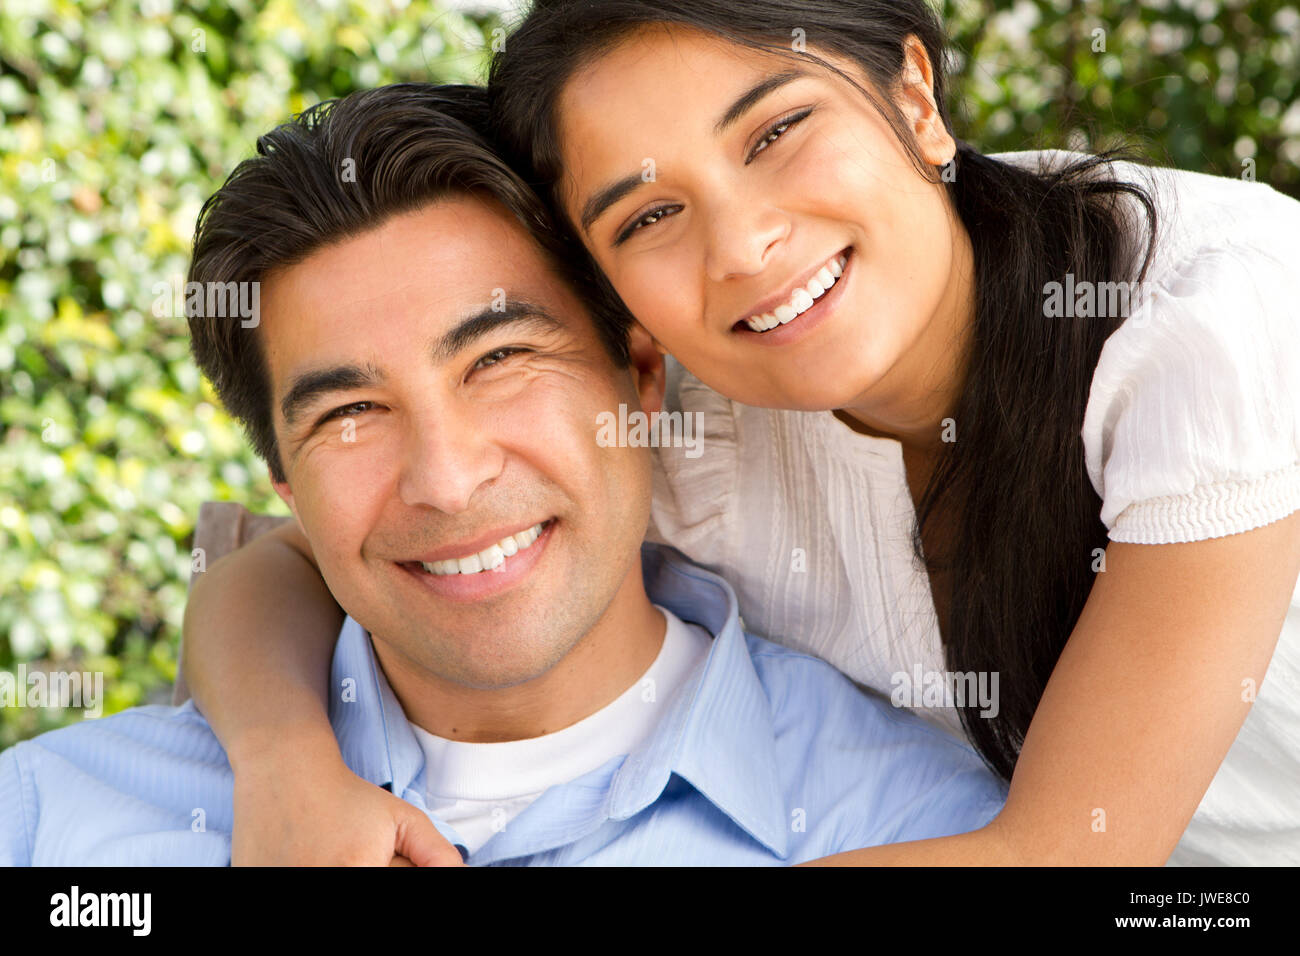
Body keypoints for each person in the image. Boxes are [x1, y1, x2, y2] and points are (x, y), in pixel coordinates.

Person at [181, 0, 1300, 866]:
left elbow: (1061, 856)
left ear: (914, 96)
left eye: (776, 132)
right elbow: (282, 565)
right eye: (650, 215)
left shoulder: (1212, 310)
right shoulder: (696, 416)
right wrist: (284, 762)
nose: (745, 245)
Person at [0, 83, 1008, 867]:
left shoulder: (928, 825)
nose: (446, 478)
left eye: (500, 362)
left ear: (640, 373)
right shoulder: (53, 821)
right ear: (283, 483)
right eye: (350, 413)